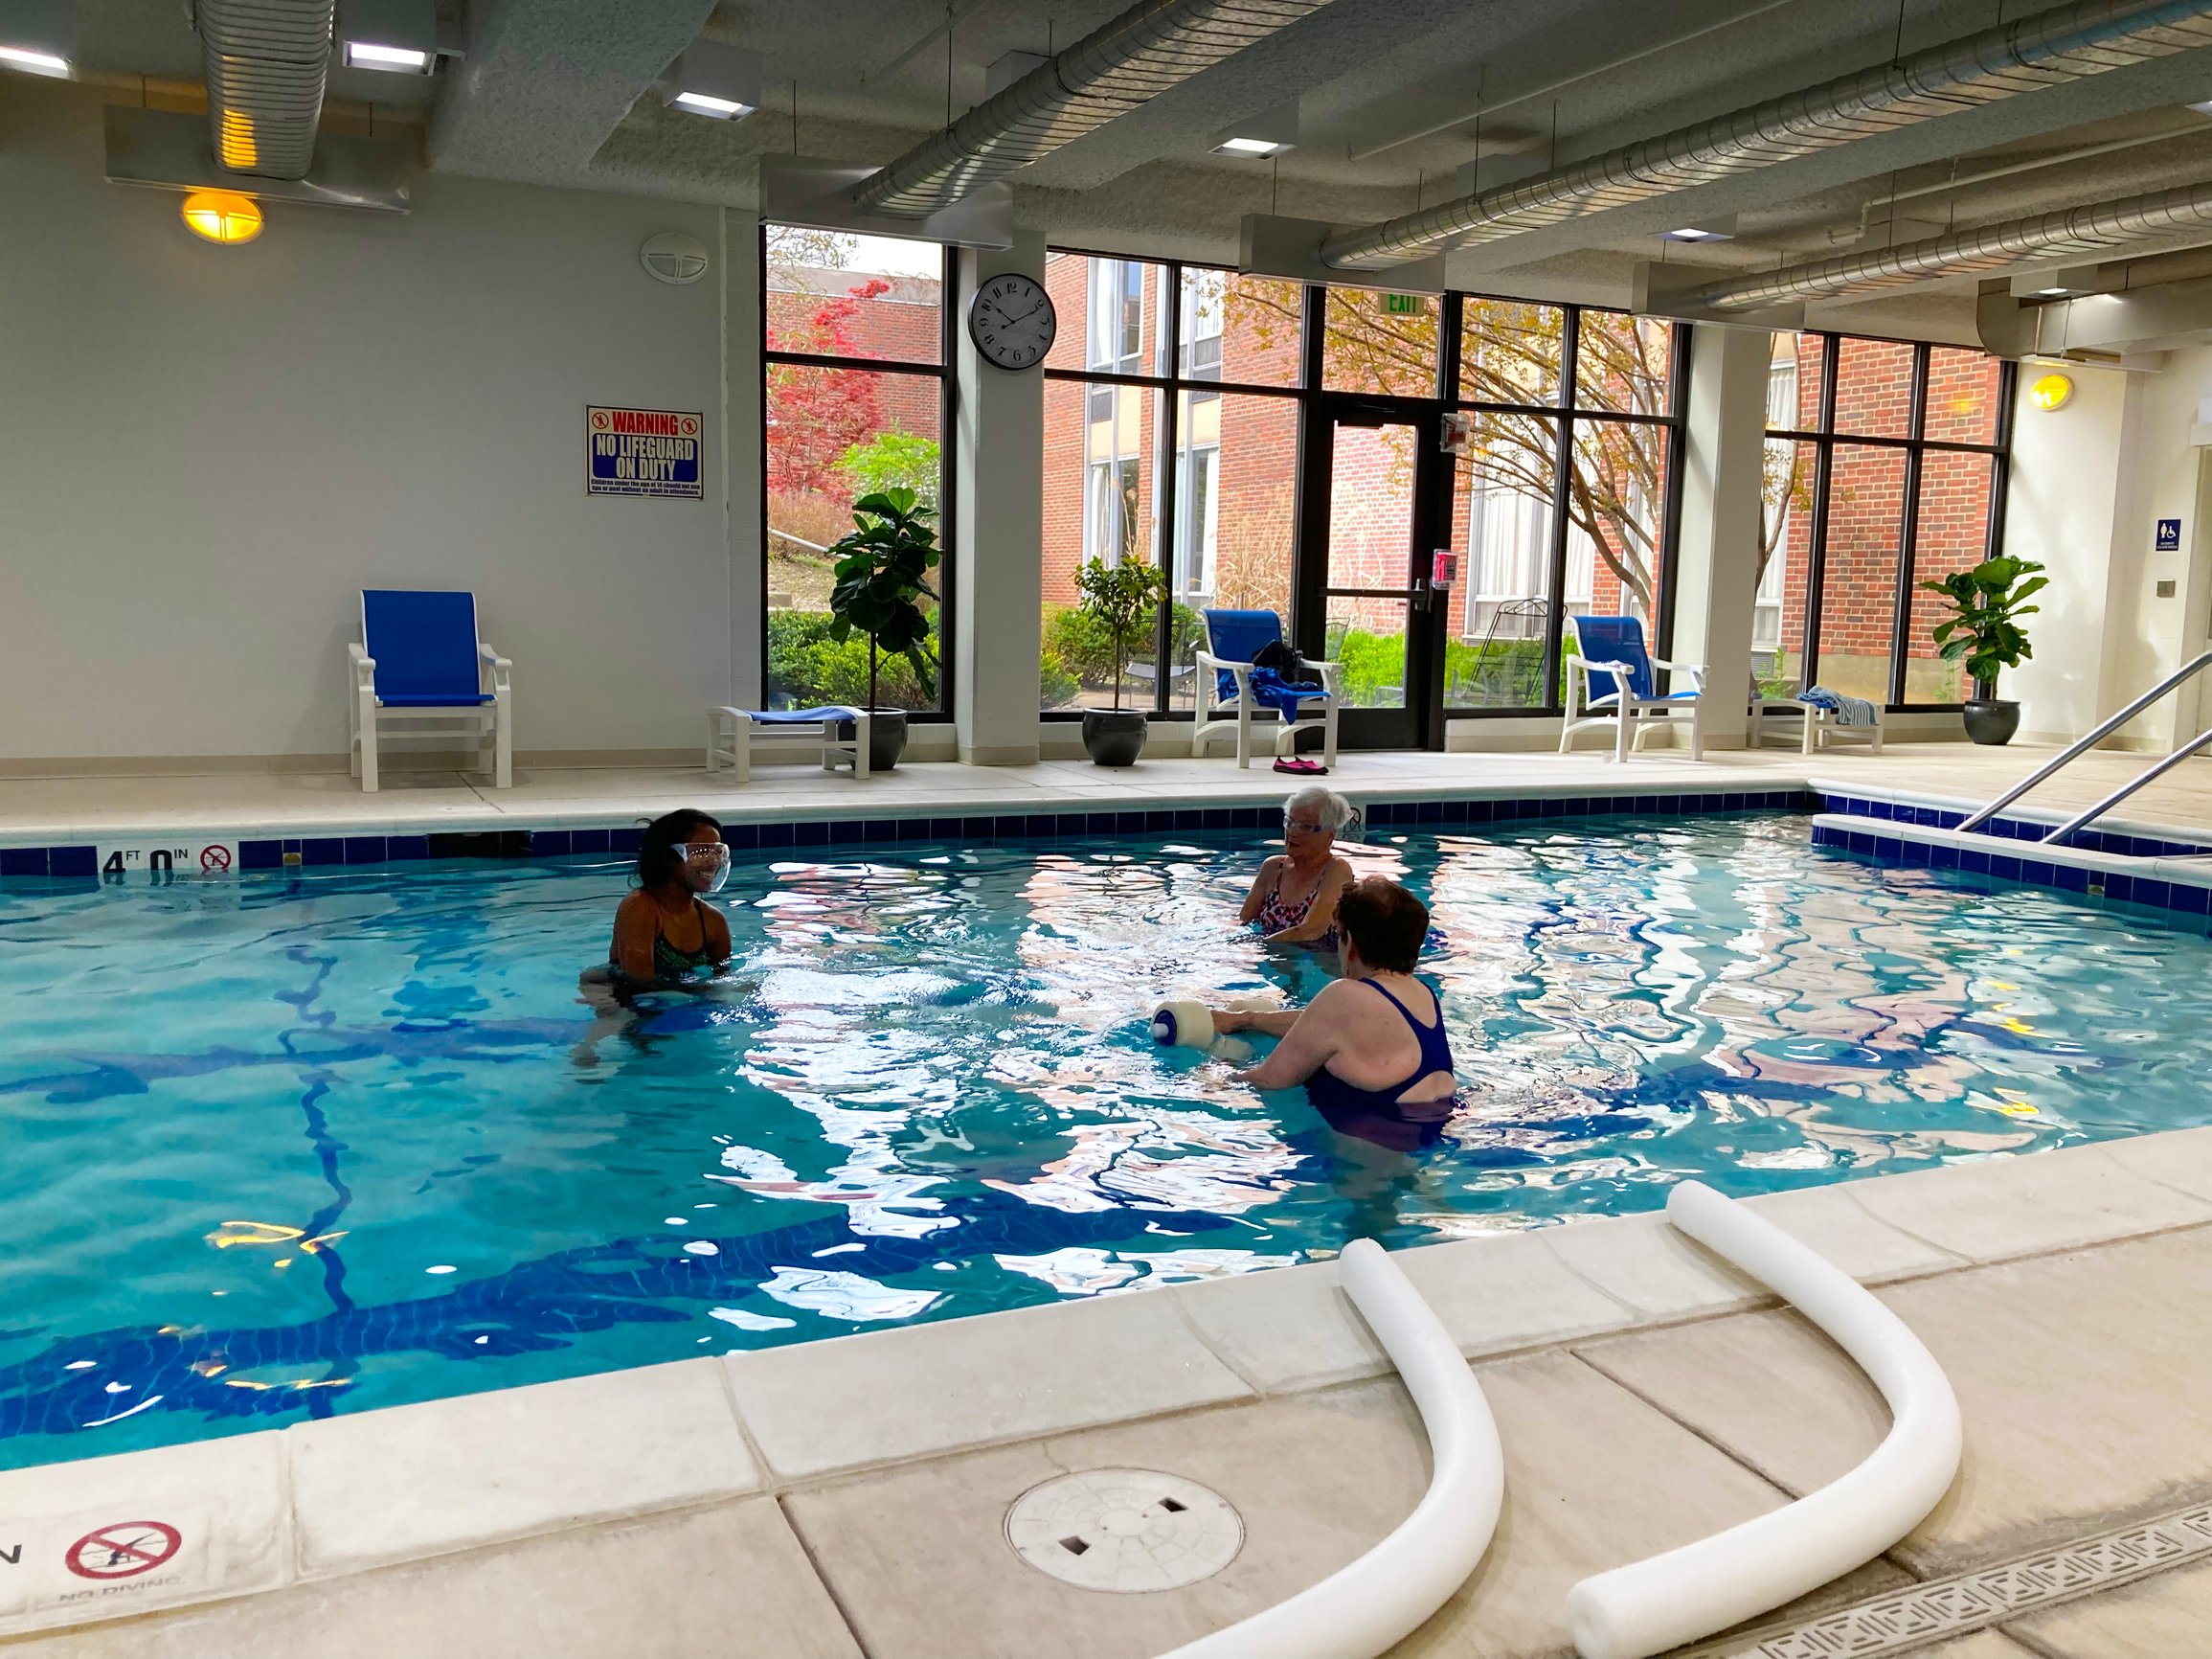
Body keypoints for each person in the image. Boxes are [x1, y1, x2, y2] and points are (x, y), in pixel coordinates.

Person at [1213, 876, 1456, 1151]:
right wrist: (1247, 1020)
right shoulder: (1422, 993)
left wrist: (1215, 1075)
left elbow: (1270, 1080)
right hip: (1436, 1130)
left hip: (1373, 1153)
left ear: (1349, 942)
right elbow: (1319, 1028)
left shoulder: (1343, 995)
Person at [608, 808, 734, 986]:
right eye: (702, 851)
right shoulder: (640, 907)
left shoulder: (713, 921)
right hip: (617, 994)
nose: (714, 861)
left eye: (718, 852)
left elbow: (724, 981)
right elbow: (639, 983)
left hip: (679, 995)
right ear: (667, 857)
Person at [1240, 784, 1357, 950]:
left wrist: (1258, 945)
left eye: (1306, 826)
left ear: (1330, 836)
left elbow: (1312, 930)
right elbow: (1243, 921)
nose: (1292, 832)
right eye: (1290, 822)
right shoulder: (1272, 868)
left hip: (1317, 962)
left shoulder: (1337, 870)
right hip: (1272, 960)